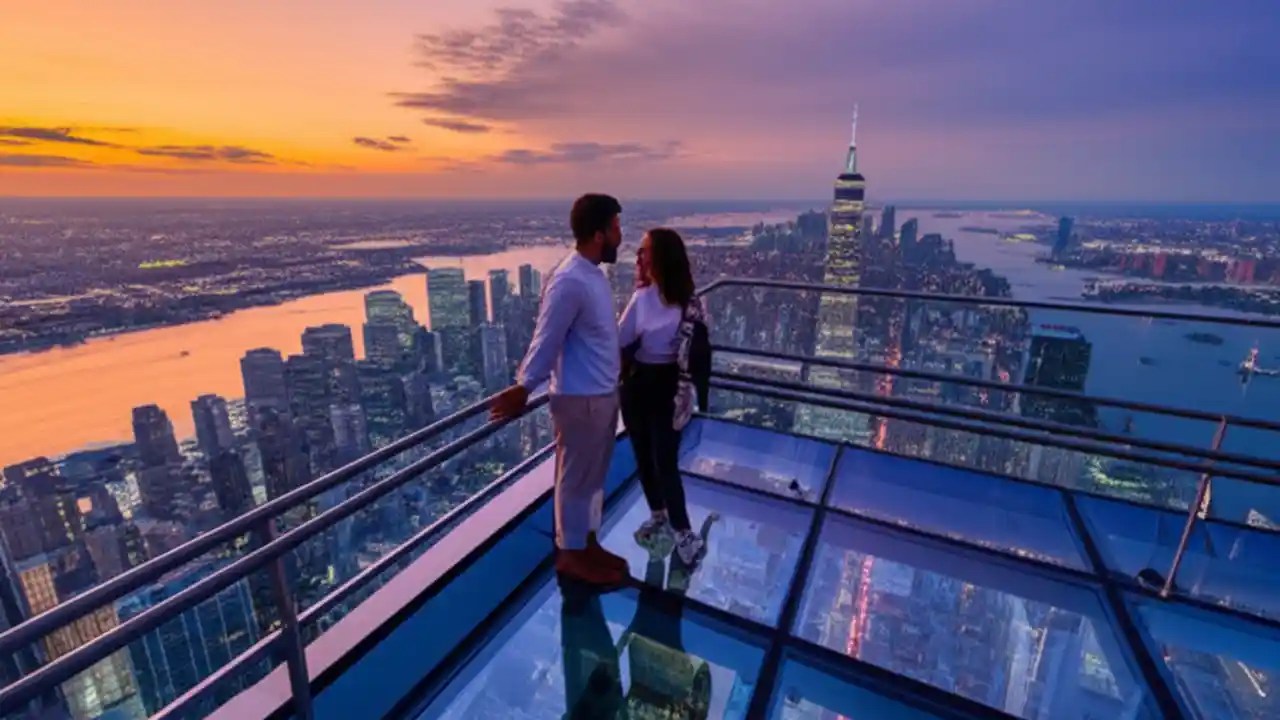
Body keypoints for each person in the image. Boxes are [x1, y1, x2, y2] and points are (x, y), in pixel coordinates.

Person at [491, 193, 629, 587]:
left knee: (593, 477)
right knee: (575, 479)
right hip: (579, 400)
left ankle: (587, 543)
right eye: (617, 226)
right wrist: (524, 387)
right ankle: (570, 555)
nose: (621, 234)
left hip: (601, 396)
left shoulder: (593, 275)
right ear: (600, 233)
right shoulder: (569, 281)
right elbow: (546, 339)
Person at [619, 228, 709, 565]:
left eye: (644, 251)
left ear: (660, 257)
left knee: (665, 460)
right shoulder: (643, 298)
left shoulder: (686, 301)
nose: (639, 257)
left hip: (668, 386)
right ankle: (660, 517)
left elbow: (622, 338)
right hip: (638, 383)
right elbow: (619, 340)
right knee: (644, 455)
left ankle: (683, 532)